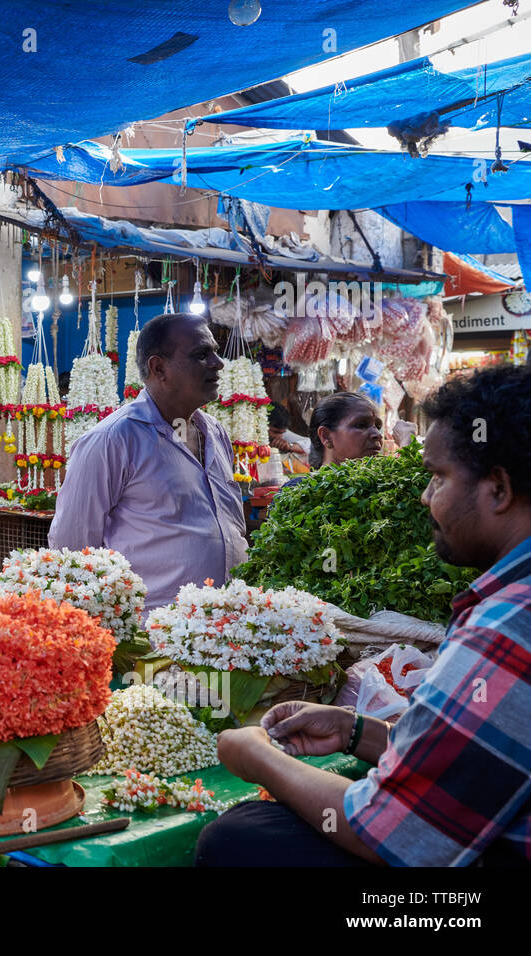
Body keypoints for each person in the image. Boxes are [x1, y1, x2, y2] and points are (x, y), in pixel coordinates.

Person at [196, 364, 531, 866]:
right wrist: (359, 732)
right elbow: (472, 757)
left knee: (240, 836)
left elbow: (399, 835)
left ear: (498, 490)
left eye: (438, 478)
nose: (424, 497)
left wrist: (259, 759)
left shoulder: (507, 625)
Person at [49, 313, 247, 611]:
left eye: (216, 353)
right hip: (151, 637)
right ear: (159, 368)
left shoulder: (215, 433)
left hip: (226, 631)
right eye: (201, 355)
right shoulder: (112, 440)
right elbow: (71, 548)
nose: (218, 364)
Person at [281, 392, 383, 489]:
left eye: (378, 427)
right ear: (326, 436)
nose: (378, 435)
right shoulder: (297, 491)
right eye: (361, 425)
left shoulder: (382, 490)